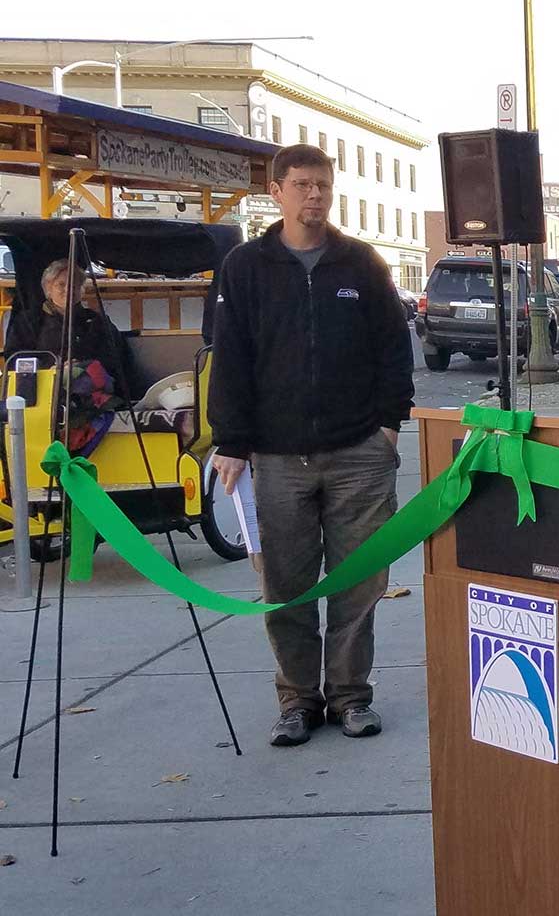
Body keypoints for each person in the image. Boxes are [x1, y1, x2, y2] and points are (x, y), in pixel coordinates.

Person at [208, 143, 415, 748]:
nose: (314, 195)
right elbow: (231, 357)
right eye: (301, 184)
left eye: (322, 184)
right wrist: (231, 441)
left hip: (359, 453)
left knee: (359, 583)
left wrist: (388, 426)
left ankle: (350, 697)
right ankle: (297, 700)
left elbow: (393, 349)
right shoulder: (246, 266)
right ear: (276, 191)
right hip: (277, 457)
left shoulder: (361, 263)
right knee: (286, 587)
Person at [4, 257, 150, 439]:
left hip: (92, 396)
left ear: (82, 290)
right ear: (48, 289)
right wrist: (54, 368)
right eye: (61, 284)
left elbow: (117, 360)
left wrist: (82, 368)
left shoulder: (97, 322)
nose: (68, 289)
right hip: (44, 395)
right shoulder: (29, 322)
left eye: (74, 285)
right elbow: (16, 359)